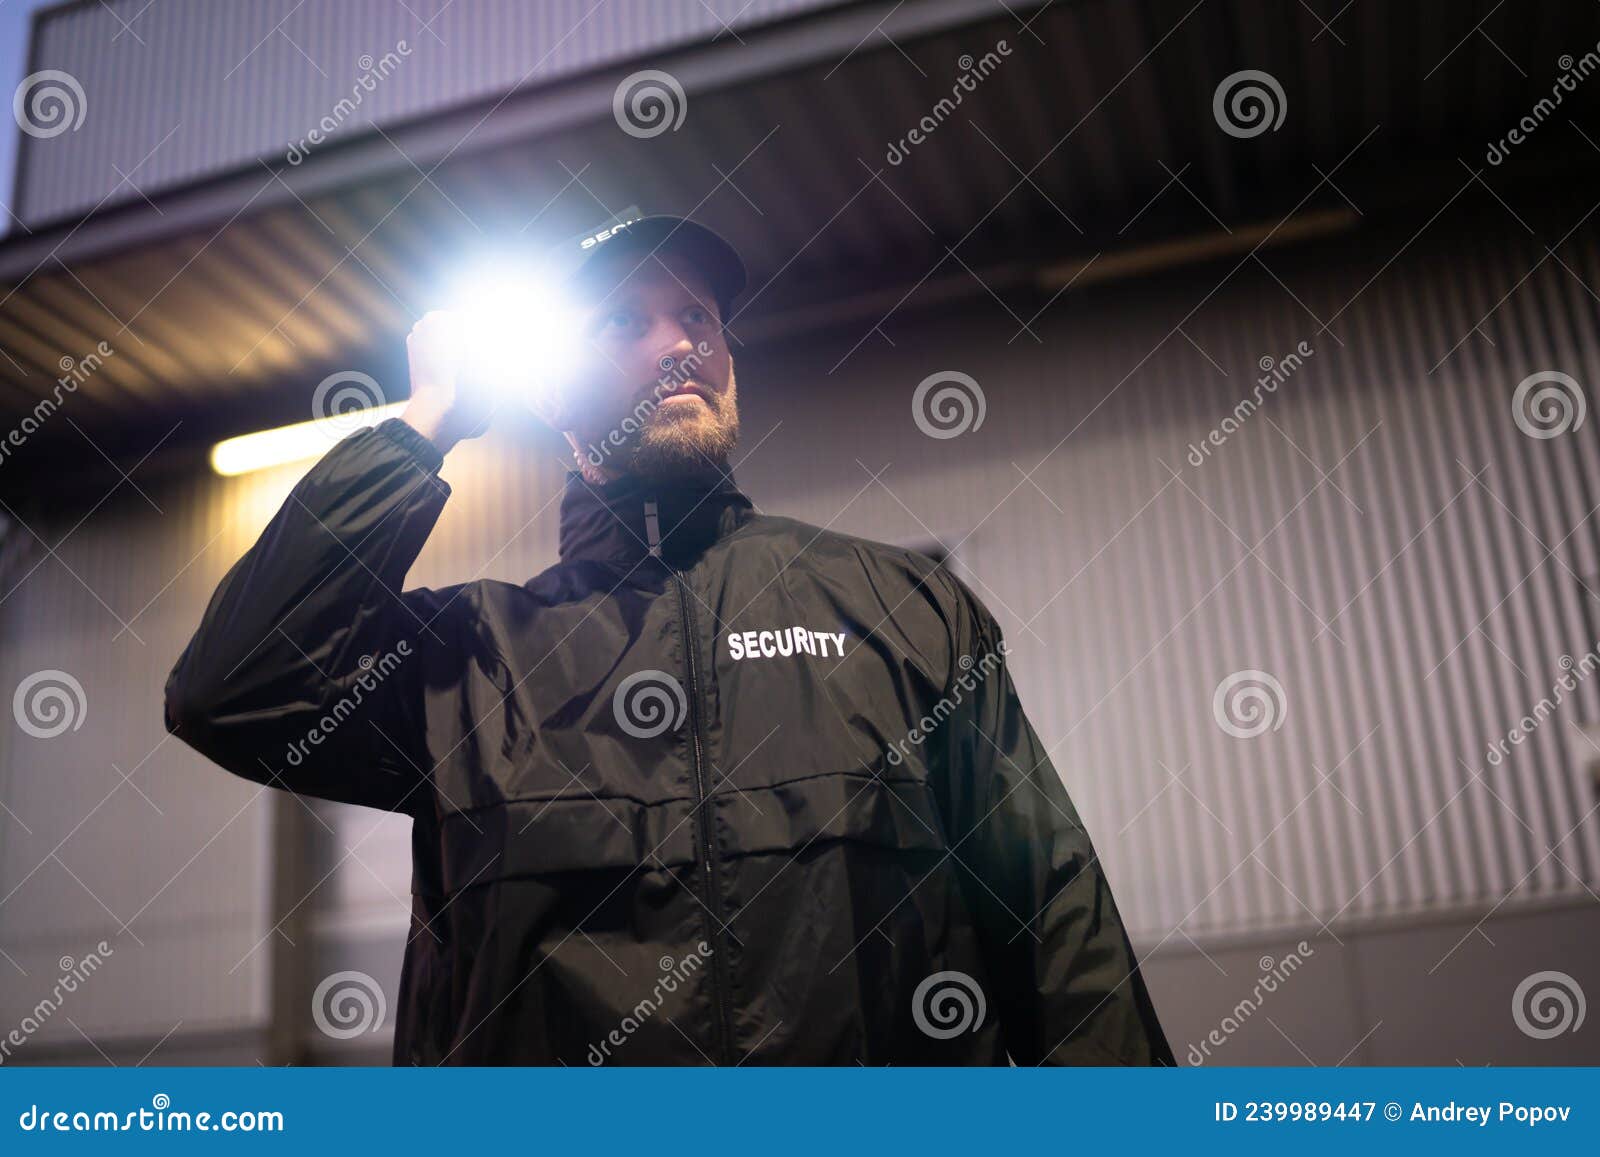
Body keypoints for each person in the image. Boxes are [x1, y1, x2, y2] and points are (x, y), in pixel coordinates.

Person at [164, 214, 1175, 1066]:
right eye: (625, 321)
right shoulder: (465, 657)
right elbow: (234, 688)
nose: (679, 340)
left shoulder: (903, 608)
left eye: (698, 315)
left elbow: (1053, 921)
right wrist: (422, 426)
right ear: (551, 393)